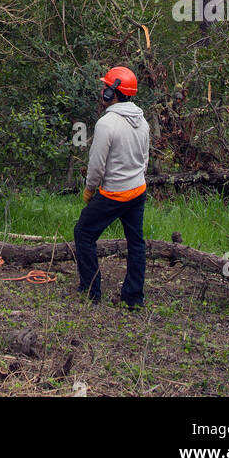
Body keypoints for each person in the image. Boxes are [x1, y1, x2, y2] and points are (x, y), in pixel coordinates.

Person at [74, 66, 149, 310]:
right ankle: (133, 297)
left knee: (84, 234)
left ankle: (91, 289)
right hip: (137, 191)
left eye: (106, 87)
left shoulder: (107, 124)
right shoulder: (143, 121)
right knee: (136, 243)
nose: (102, 91)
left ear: (112, 94)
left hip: (113, 193)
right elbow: (144, 159)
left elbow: (96, 164)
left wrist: (90, 188)